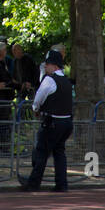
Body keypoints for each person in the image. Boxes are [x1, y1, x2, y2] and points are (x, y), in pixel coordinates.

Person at [18, 49, 73, 192]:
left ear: (54, 65)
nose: (45, 67)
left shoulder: (50, 80)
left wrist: (35, 109)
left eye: (47, 64)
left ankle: (33, 183)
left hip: (52, 122)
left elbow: (38, 98)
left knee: (41, 152)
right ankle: (62, 184)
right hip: (66, 122)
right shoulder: (66, 81)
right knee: (59, 153)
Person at [0, 41, 14, 154]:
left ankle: (1, 144)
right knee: (0, 122)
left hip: (5, 97)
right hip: (0, 98)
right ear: (0, 52)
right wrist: (14, 84)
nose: (6, 52)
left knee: (3, 121)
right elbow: (4, 80)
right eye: (4, 50)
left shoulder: (1, 63)